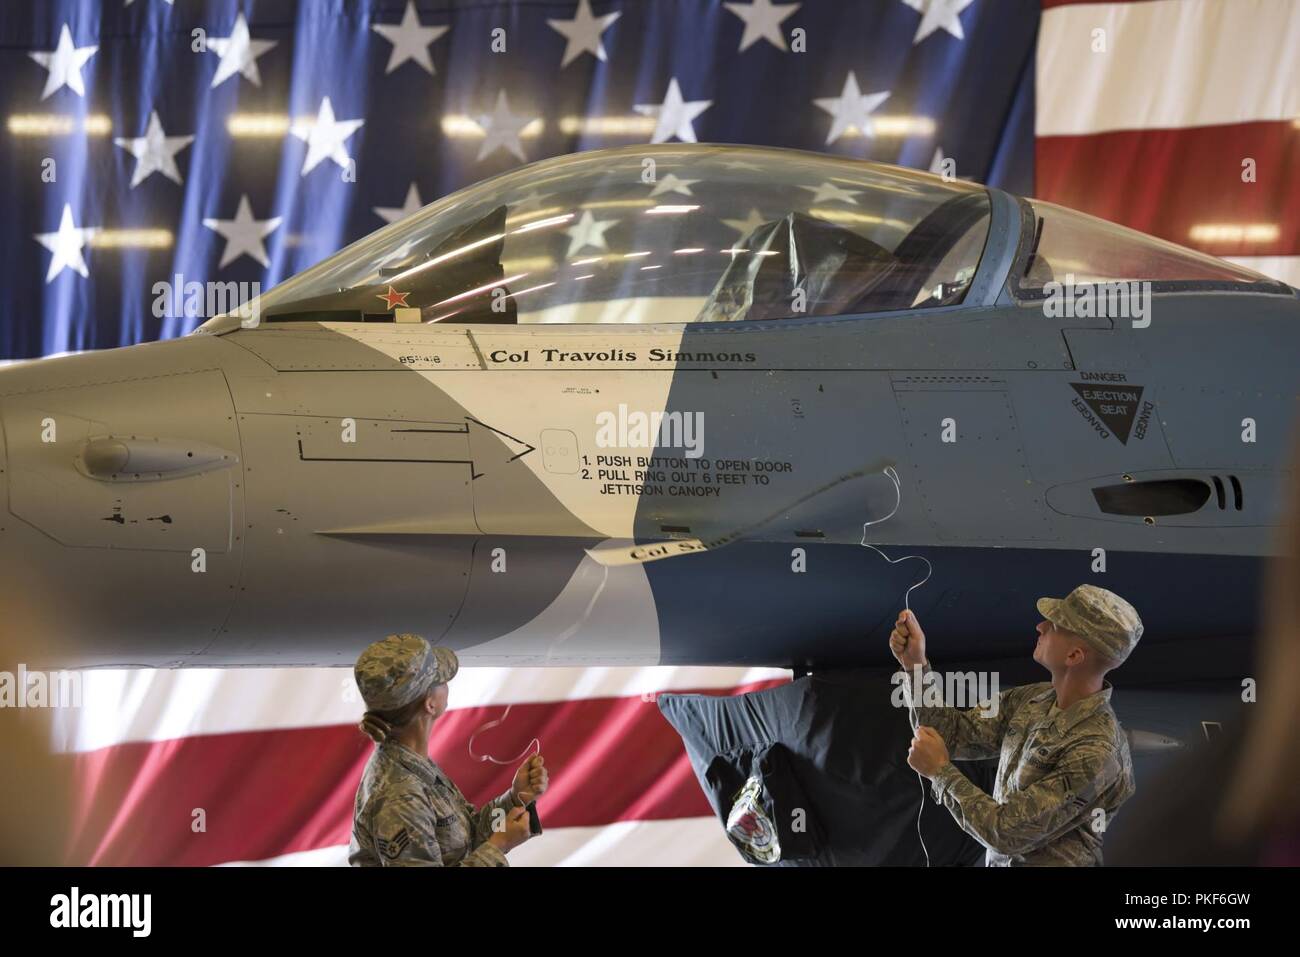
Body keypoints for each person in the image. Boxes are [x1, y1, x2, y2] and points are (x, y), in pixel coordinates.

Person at [890, 584, 1141, 866]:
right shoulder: (1032, 699)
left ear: (1074, 656)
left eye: (1055, 625)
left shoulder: (1096, 750)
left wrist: (941, 773)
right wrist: (915, 665)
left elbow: (1007, 833)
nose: (1040, 626)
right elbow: (949, 734)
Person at [348, 633, 548, 867]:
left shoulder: (408, 762)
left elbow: (466, 837)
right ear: (430, 703)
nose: (447, 685)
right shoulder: (400, 793)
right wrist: (498, 848)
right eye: (440, 679)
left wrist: (515, 799)